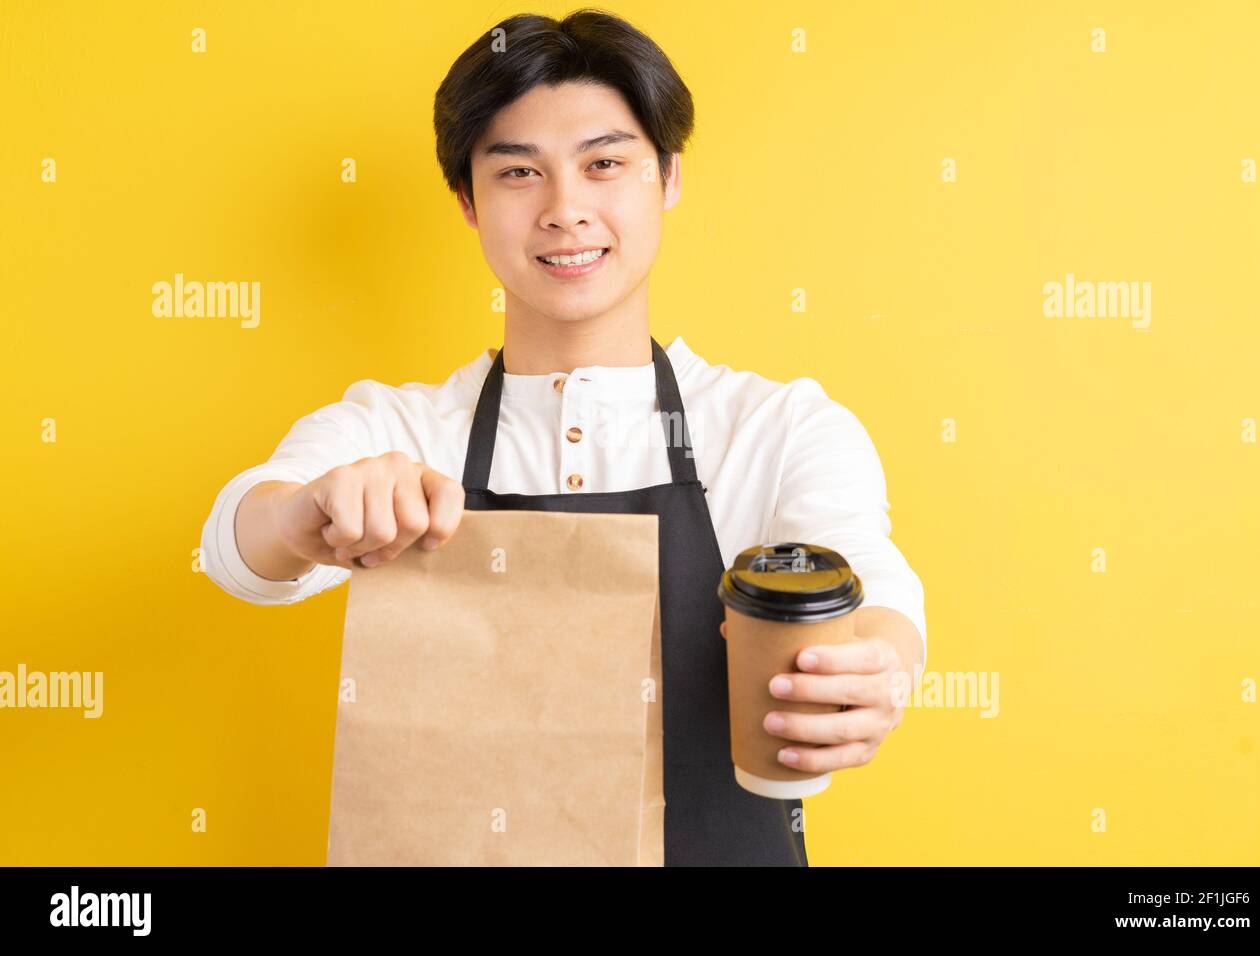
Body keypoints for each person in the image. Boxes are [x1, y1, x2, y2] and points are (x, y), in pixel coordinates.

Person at [200, 8, 926, 866]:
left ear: (668, 177)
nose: (565, 210)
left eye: (604, 164)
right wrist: (303, 518)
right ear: (467, 202)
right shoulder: (402, 428)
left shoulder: (776, 426)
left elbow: (867, 583)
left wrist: (874, 670)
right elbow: (236, 549)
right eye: (518, 173)